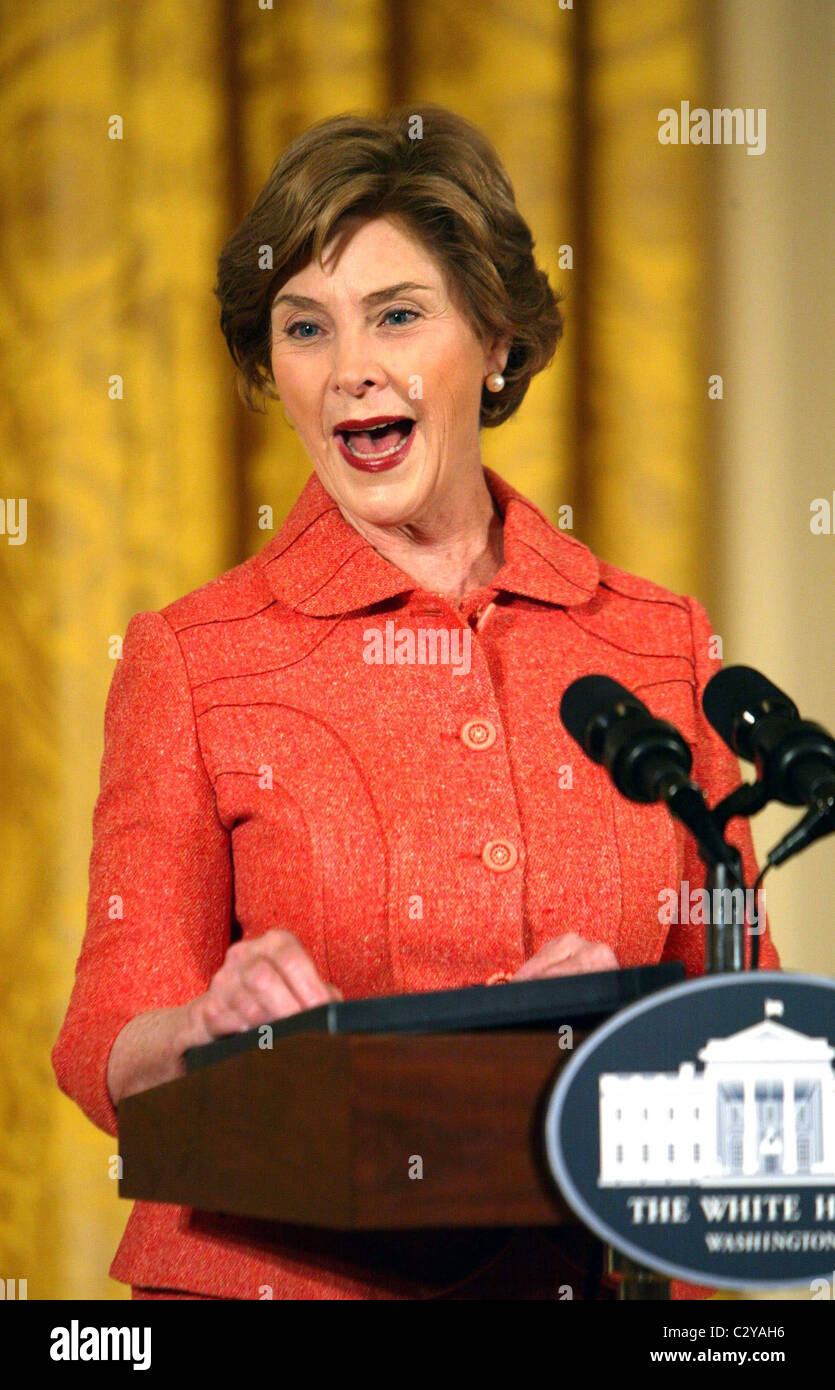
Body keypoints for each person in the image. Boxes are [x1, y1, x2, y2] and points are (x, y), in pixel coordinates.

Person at [52, 103, 779, 1301]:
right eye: (303, 327)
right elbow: (102, 1039)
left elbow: (742, 1040)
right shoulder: (191, 656)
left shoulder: (658, 643)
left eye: (397, 313)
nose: (351, 371)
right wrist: (212, 1025)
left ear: (494, 339)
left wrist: (607, 1029)